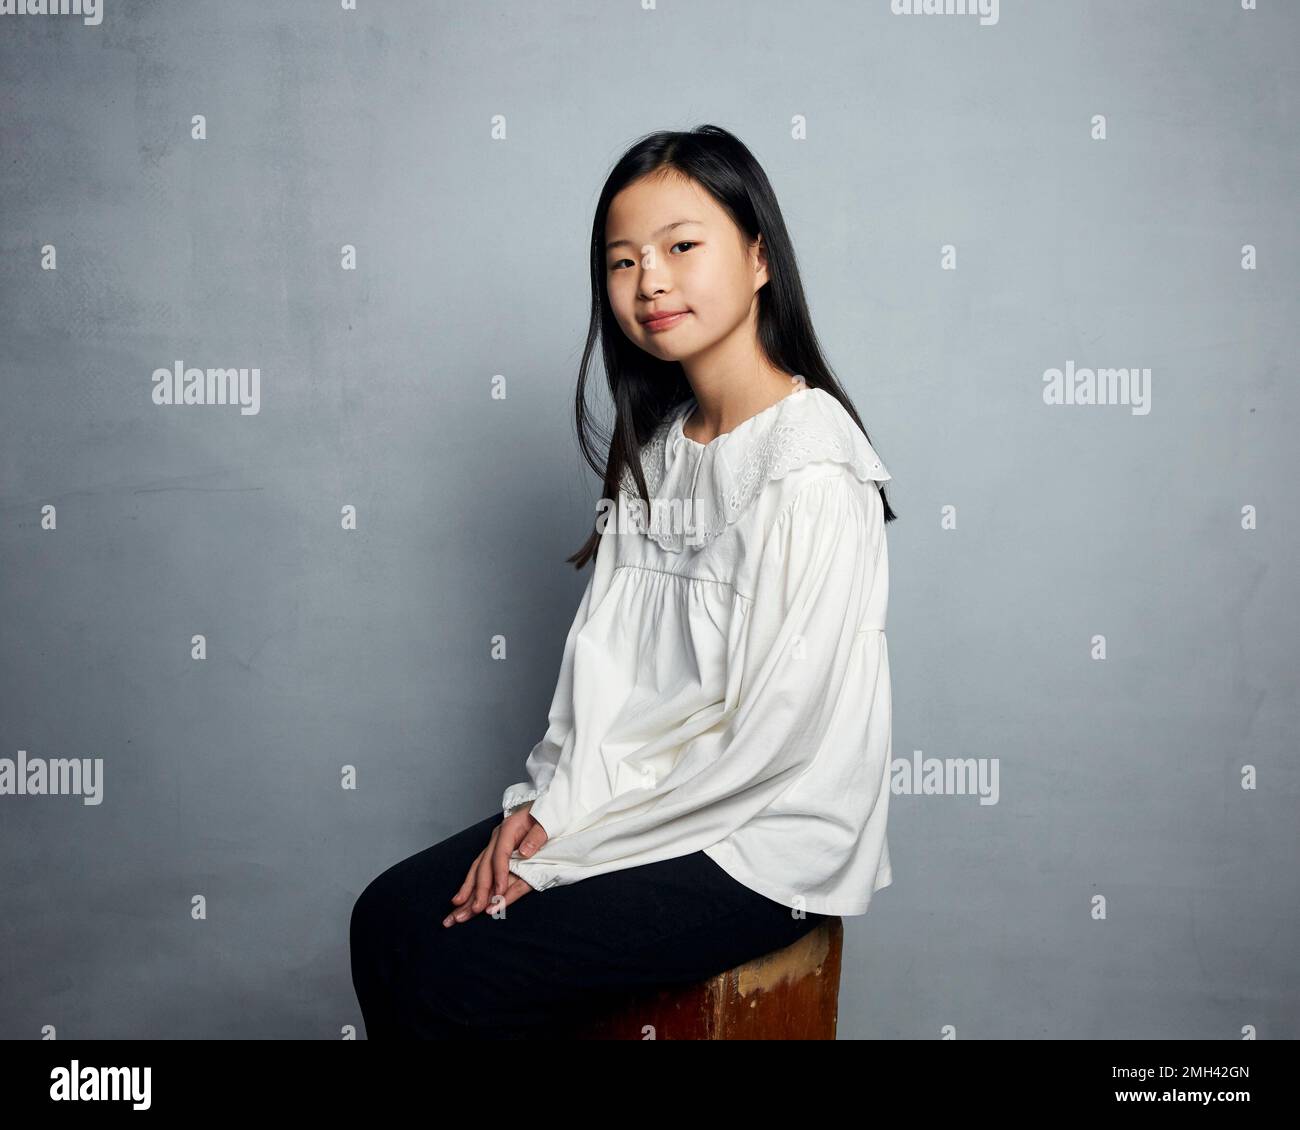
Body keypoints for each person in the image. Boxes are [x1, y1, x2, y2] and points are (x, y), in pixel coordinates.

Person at [350, 124, 898, 1039]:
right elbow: (607, 682)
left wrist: (576, 852)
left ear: (759, 256)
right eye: (622, 260)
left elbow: (773, 745)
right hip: (646, 805)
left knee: (456, 969)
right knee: (386, 918)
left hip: (758, 842)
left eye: (683, 246)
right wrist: (545, 810)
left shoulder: (809, 464)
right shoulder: (656, 448)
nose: (649, 281)